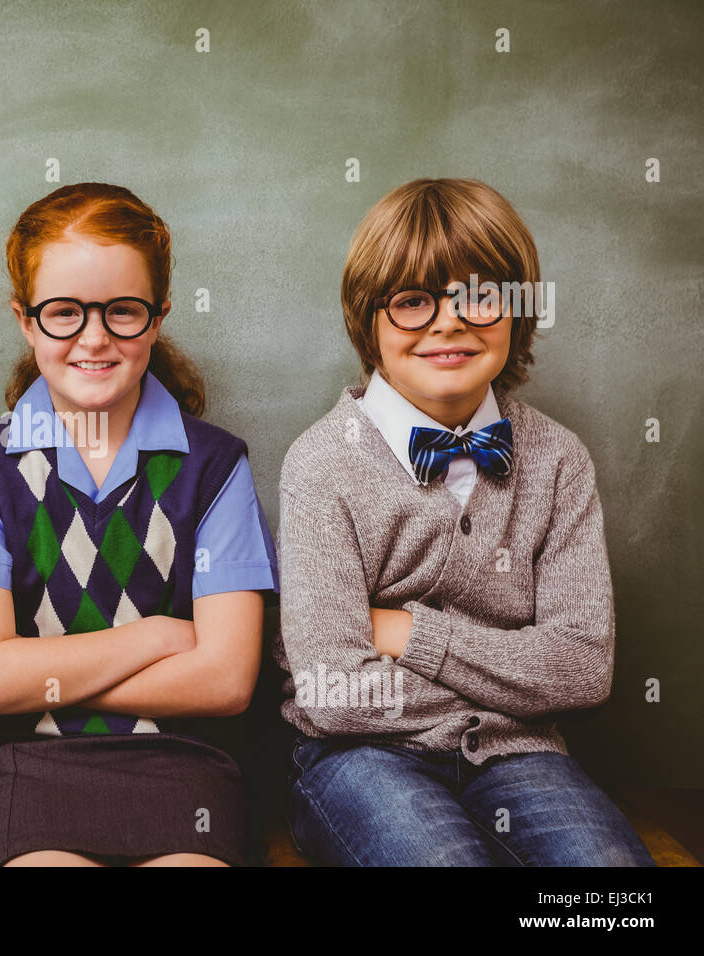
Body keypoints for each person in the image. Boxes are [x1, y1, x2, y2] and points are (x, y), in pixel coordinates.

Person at [274, 178, 654, 866]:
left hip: (523, 755)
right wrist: (508, 675)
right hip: (360, 758)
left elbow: (581, 669)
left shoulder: (559, 458)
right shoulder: (321, 464)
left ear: (517, 312)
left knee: (612, 887)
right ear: (371, 321)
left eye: (479, 296)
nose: (448, 323)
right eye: (414, 301)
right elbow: (333, 691)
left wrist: (408, 631)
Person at [0, 183, 279, 867]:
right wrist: (155, 637)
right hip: (26, 766)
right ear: (25, 320)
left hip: (186, 766)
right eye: (63, 313)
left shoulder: (214, 467)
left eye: (123, 312)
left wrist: (36, 674)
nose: (94, 337)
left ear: (158, 317)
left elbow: (227, 681)